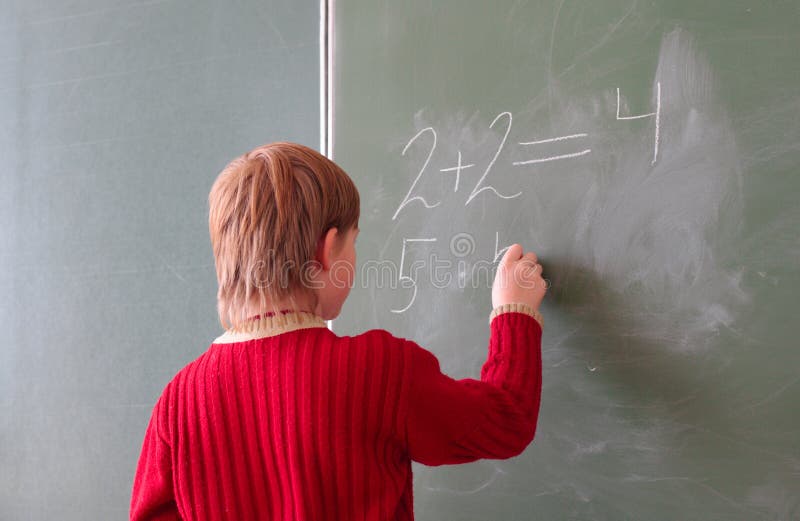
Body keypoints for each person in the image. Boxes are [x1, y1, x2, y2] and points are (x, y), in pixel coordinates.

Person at [130, 142, 546, 520]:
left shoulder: (177, 407)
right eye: (353, 243)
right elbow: (506, 421)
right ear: (327, 252)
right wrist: (515, 311)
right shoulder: (379, 372)